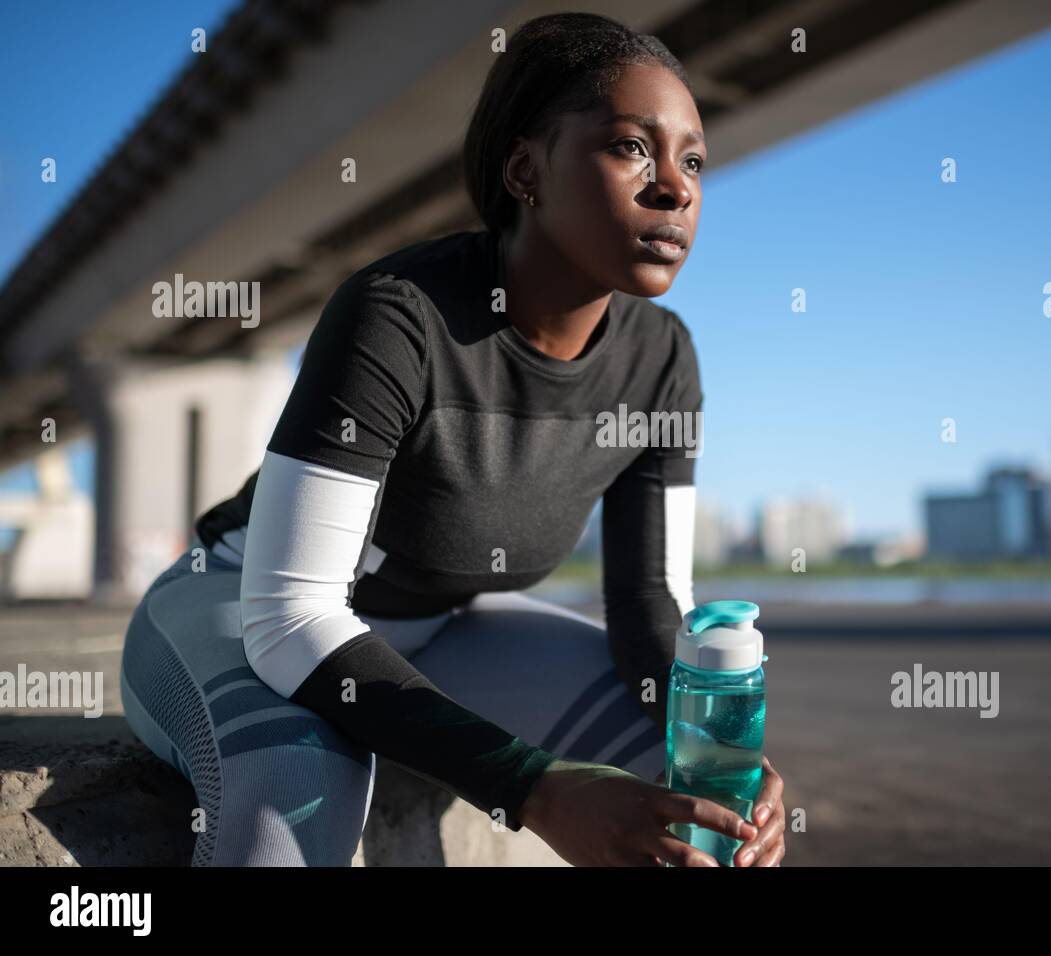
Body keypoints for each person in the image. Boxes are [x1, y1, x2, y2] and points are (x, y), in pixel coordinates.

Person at [119, 11, 785, 867]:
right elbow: (291, 619)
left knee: (696, 783)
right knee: (299, 790)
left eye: (693, 160)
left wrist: (728, 752)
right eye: (631, 148)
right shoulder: (399, 315)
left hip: (444, 630)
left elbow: (649, 600)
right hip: (236, 610)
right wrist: (533, 788)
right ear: (525, 170)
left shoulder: (662, 357)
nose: (676, 187)